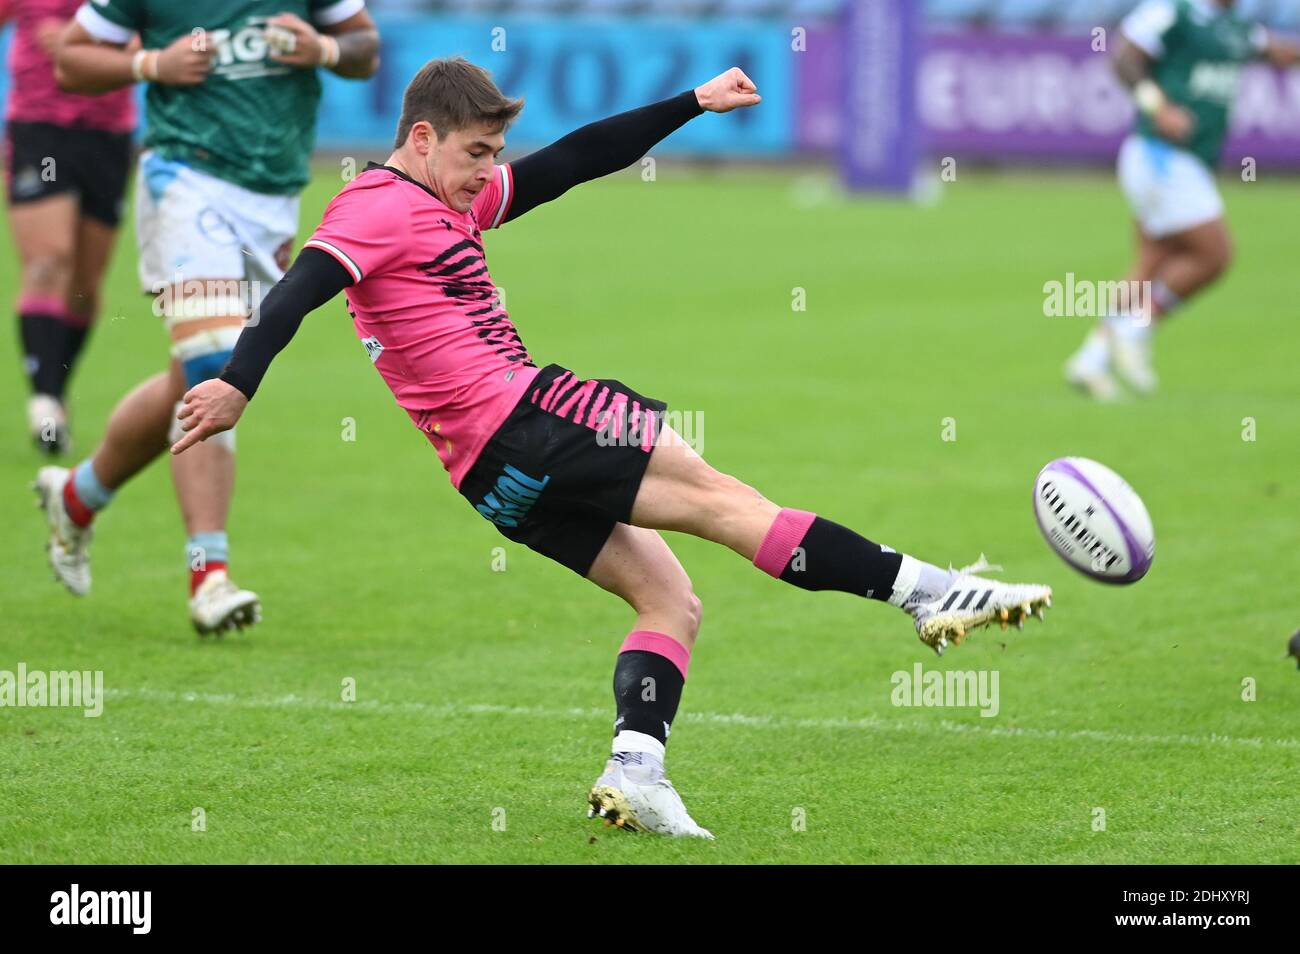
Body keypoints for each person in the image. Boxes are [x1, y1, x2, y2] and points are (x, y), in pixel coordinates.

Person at [173, 58, 1054, 837]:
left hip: (490, 475)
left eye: (492, 156)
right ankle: (929, 592)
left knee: (670, 598)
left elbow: (569, 162)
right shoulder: (375, 203)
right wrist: (239, 381)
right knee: (725, 503)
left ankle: (635, 772)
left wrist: (693, 104)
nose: (489, 174)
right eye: (476, 154)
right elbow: (294, 293)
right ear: (420, 136)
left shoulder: (451, 194)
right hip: (533, 413)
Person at [33, 0, 379, 634]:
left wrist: (324, 51)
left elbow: (365, 49)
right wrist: (151, 62)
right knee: (216, 367)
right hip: (185, 182)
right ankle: (209, 576)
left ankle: (78, 496)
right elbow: (73, 61)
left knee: (185, 380)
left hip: (272, 197)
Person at [1065, 0, 1300, 399]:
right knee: (1214, 254)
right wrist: (1158, 107)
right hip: (1161, 155)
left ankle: (1091, 358)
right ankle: (1136, 327)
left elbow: (1278, 52)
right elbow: (1123, 59)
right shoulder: (1173, 12)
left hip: (1185, 162)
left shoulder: (1237, 29)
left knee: (1151, 262)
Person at [2, 0, 135, 453]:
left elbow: (170, 37)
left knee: (85, 287)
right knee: (47, 259)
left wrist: (101, 49)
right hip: (39, 128)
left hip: (108, 132)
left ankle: (55, 391)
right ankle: (43, 402)